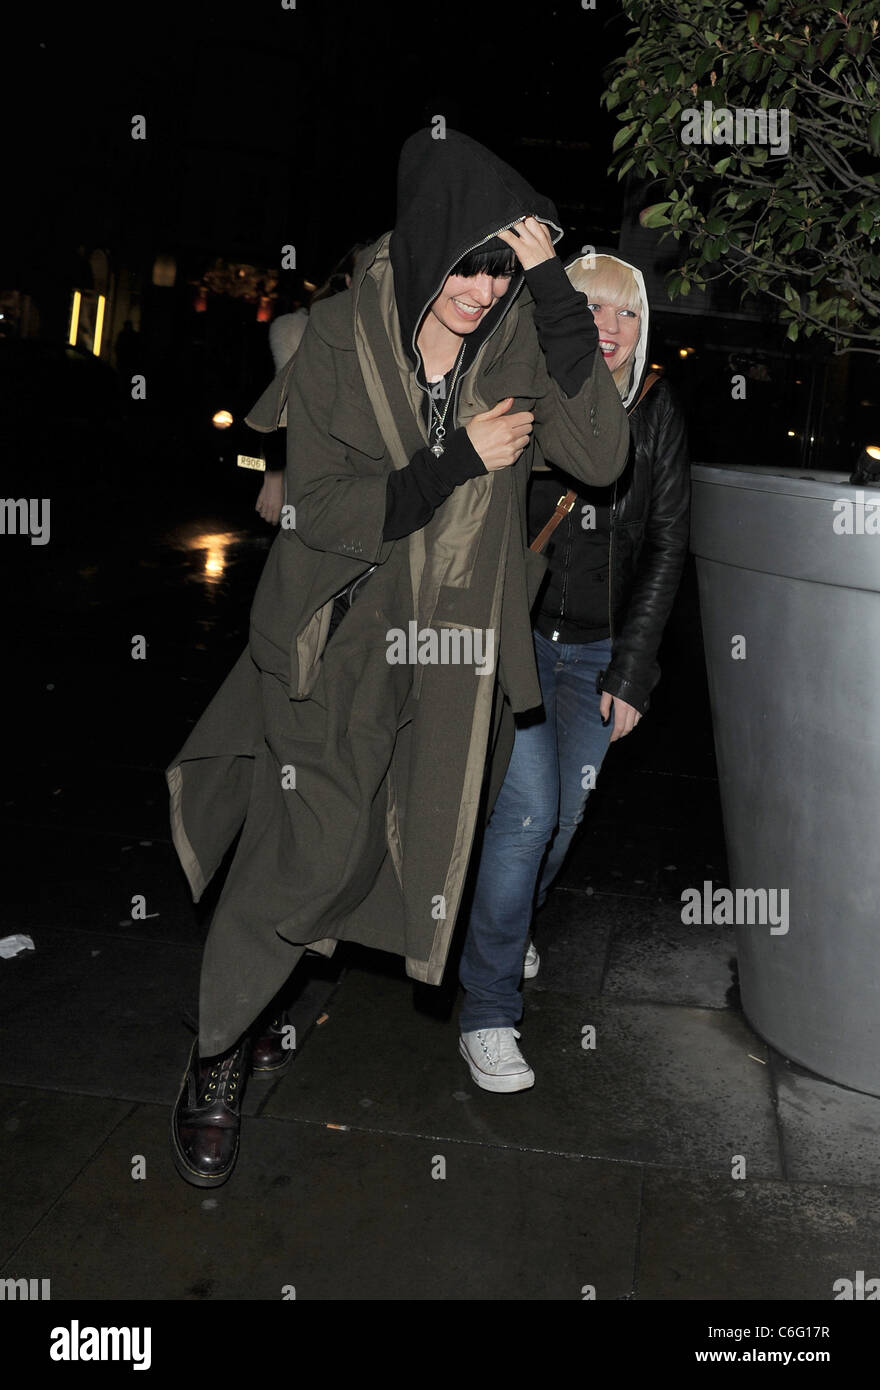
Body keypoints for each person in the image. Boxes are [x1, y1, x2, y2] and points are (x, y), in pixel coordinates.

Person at [167, 130, 630, 1187]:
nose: (479, 287)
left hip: (454, 661)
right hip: (333, 642)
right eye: (468, 263)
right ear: (424, 248)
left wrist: (554, 289)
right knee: (308, 850)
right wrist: (459, 458)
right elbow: (321, 511)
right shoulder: (336, 341)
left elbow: (601, 455)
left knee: (391, 847)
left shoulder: (517, 335)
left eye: (500, 268)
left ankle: (288, 990)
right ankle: (217, 1049)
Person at [457, 251, 691, 1091]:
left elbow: (666, 546)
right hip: (519, 643)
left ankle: (504, 917)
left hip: (596, 652)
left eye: (628, 313)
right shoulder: (528, 389)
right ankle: (486, 1012)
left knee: (561, 823)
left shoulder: (658, 409)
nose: (613, 329)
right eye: (592, 308)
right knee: (526, 817)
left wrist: (630, 672)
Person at [254, 249, 371, 524]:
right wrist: (273, 476)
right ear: (348, 281)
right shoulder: (300, 329)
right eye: (363, 274)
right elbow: (284, 403)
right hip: (314, 475)